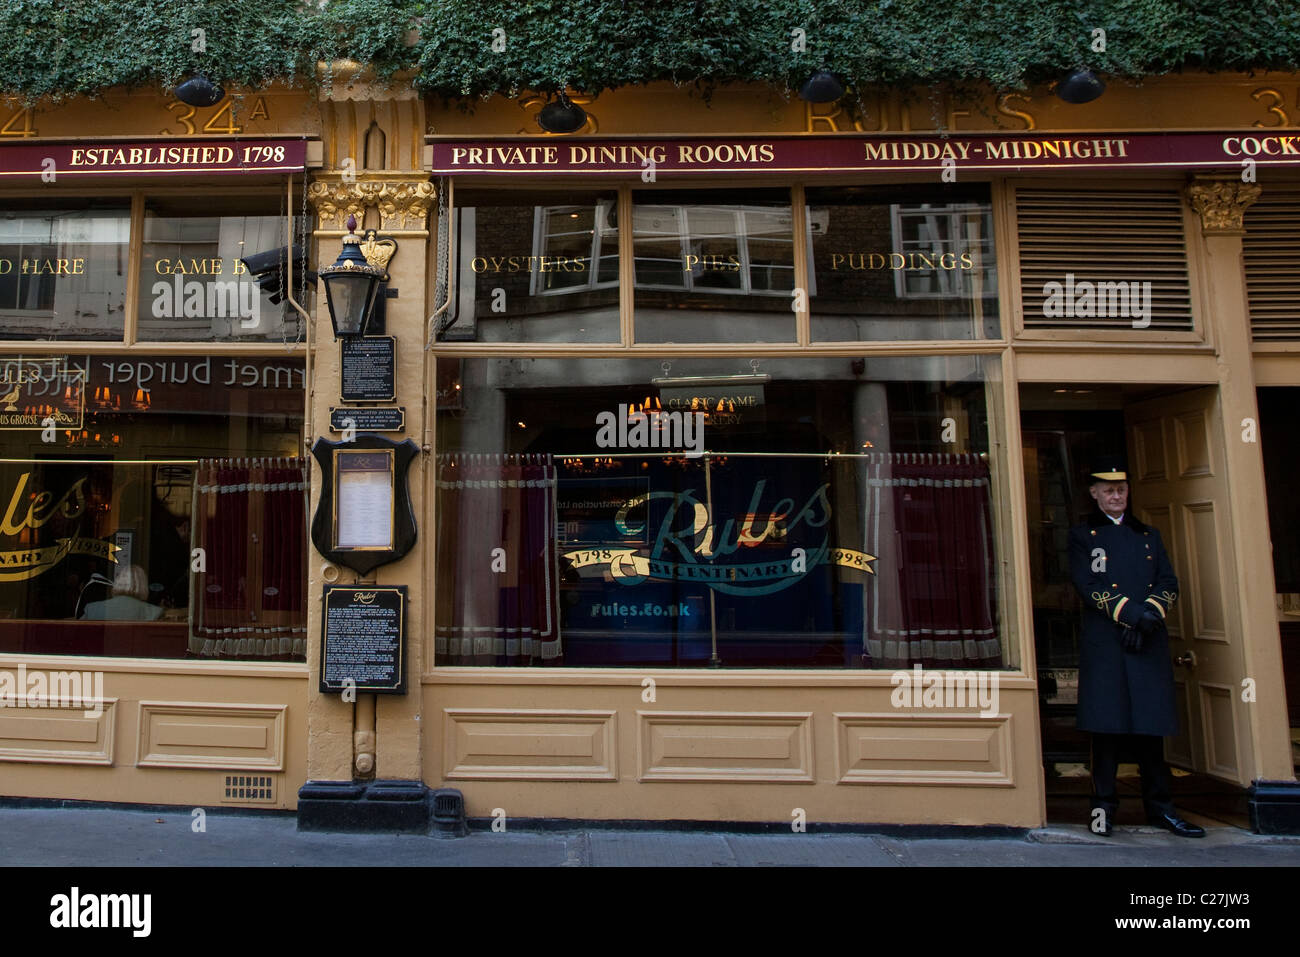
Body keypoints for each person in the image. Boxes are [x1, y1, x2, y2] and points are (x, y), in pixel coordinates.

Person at [1067, 457, 1205, 838]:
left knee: (1150, 731)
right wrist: (1130, 615)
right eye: (1109, 490)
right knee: (1106, 731)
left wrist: (1149, 617)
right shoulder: (1084, 537)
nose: (1116, 496)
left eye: (1121, 489)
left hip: (1147, 640)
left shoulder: (1149, 536)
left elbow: (1168, 581)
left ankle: (1161, 809)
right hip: (1108, 643)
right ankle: (1102, 811)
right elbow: (1089, 584)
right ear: (1095, 493)